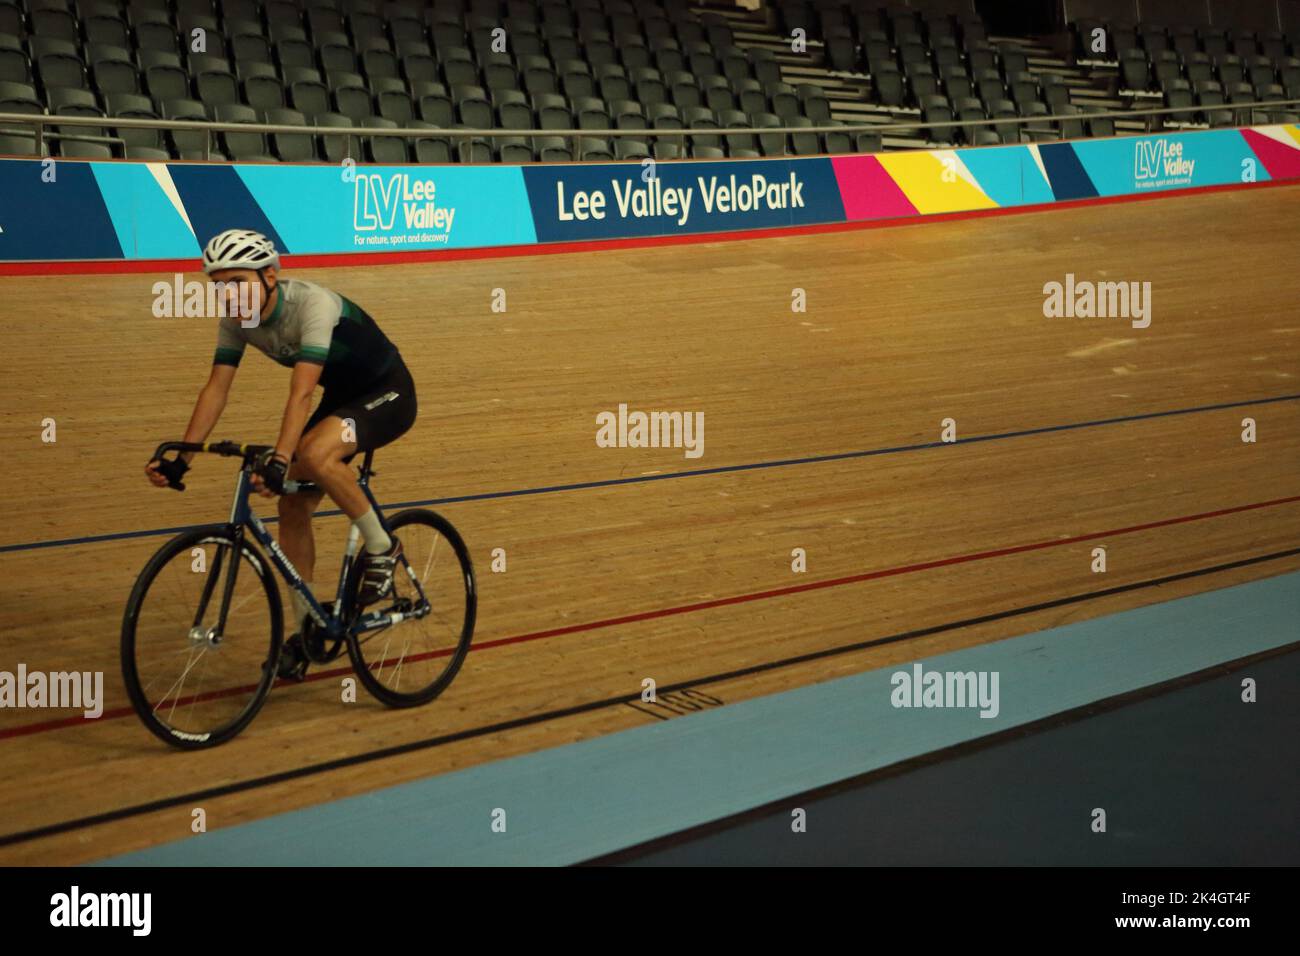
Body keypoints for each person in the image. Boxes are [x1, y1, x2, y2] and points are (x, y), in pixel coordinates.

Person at [145, 228, 417, 671]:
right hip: (341, 400)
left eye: (237, 282)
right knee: (291, 505)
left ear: (270, 275)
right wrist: (182, 458)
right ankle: (306, 629)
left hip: (387, 392)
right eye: (219, 286)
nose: (228, 296)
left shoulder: (313, 306)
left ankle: (383, 546)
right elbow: (216, 388)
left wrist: (280, 458)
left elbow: (301, 396)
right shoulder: (237, 321)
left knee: (313, 456)